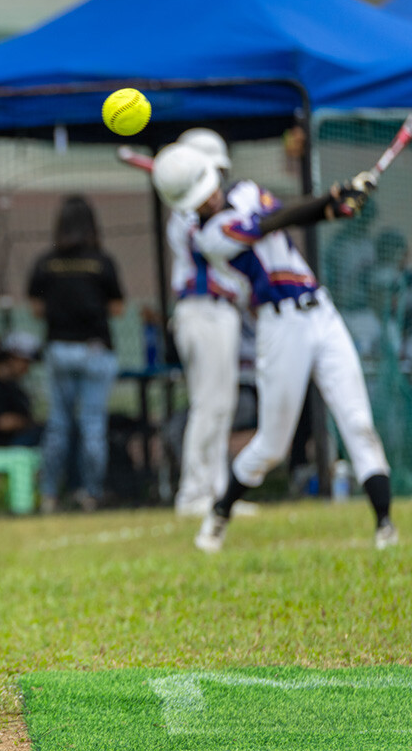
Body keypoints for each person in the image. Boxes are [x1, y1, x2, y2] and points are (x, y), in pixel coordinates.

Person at [151, 141, 397, 552]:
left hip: (321, 310)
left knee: (357, 420)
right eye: (199, 199)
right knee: (271, 446)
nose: (209, 199)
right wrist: (331, 199)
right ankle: (220, 512)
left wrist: (336, 206)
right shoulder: (209, 237)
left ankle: (385, 527)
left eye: (209, 188)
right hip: (280, 326)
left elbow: (280, 215)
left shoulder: (246, 190)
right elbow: (267, 224)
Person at [165, 128, 253, 517]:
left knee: (222, 405)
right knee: (207, 404)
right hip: (201, 310)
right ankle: (193, 492)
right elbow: (209, 240)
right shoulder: (187, 215)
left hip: (222, 312)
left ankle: (217, 491)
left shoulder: (209, 209)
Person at [26, 195, 124, 514]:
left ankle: (50, 495)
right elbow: (118, 308)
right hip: (95, 350)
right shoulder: (102, 262)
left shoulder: (46, 263)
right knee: (93, 424)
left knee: (58, 425)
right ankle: (91, 494)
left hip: (58, 350)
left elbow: (37, 308)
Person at [0, 330, 43, 449]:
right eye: (25, 361)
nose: (27, 367)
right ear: (11, 358)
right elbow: (2, 422)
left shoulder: (14, 387)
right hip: (11, 446)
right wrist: (28, 423)